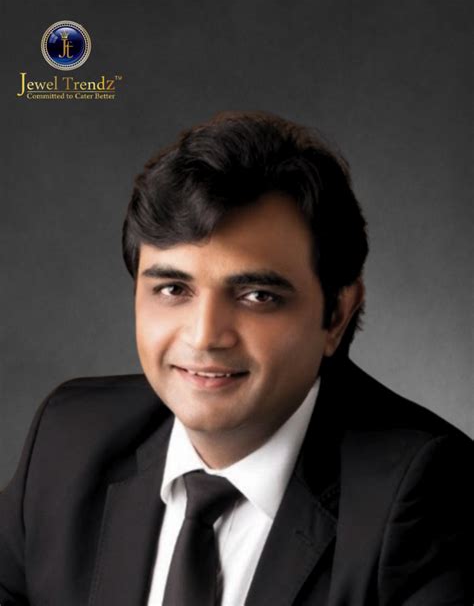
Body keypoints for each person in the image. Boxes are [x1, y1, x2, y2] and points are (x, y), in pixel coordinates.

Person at [0, 111, 471, 606]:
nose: (204, 336)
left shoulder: (430, 494)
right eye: (173, 288)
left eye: (258, 296)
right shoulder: (69, 439)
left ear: (336, 314)